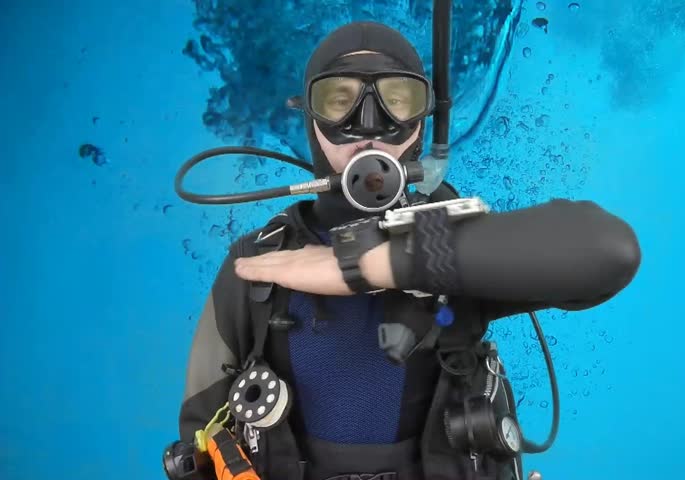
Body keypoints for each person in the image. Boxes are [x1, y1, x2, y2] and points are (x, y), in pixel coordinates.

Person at [173, 21, 640, 480]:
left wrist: (372, 263)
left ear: (421, 123)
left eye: (396, 100)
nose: (369, 126)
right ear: (311, 120)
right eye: (340, 101)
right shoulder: (257, 264)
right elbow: (199, 443)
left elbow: (609, 249)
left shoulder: (456, 242)